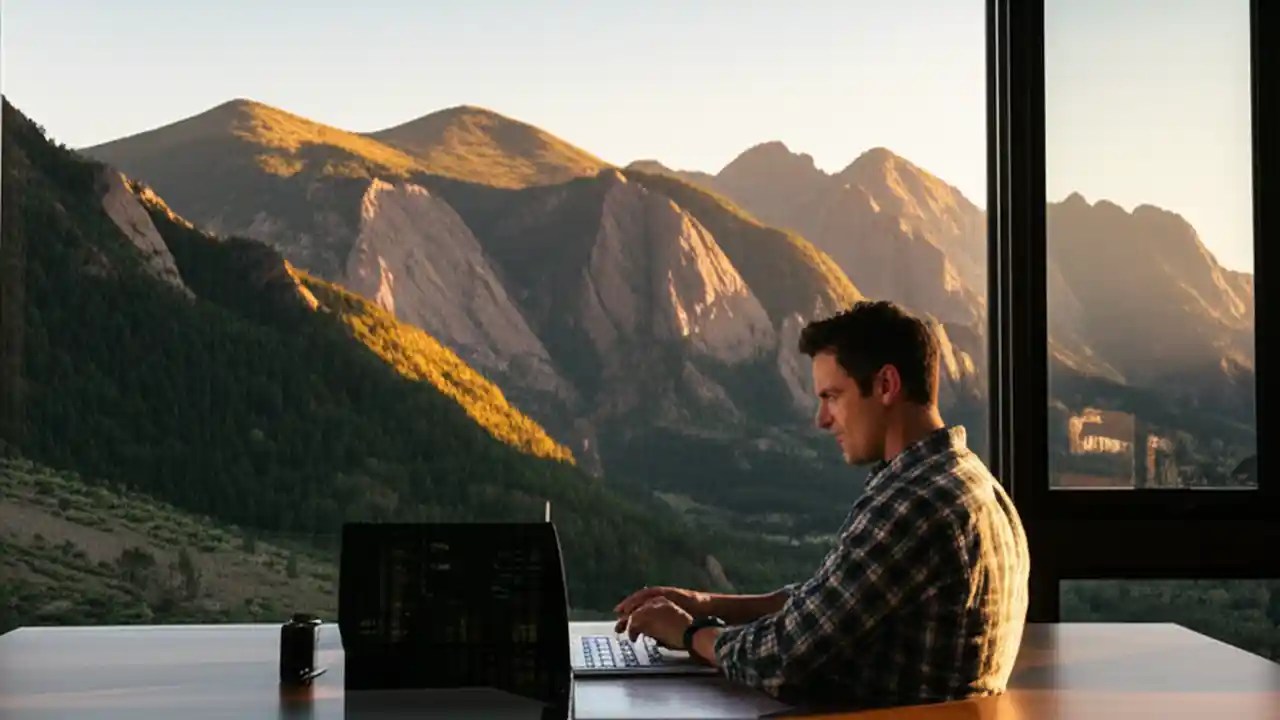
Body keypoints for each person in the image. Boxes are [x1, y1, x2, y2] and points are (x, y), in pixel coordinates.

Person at [613, 300, 1030, 710]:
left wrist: (690, 633)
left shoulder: (915, 503)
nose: (822, 419)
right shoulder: (970, 482)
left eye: (832, 396)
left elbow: (786, 657)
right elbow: (828, 602)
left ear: (886, 385)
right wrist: (708, 604)